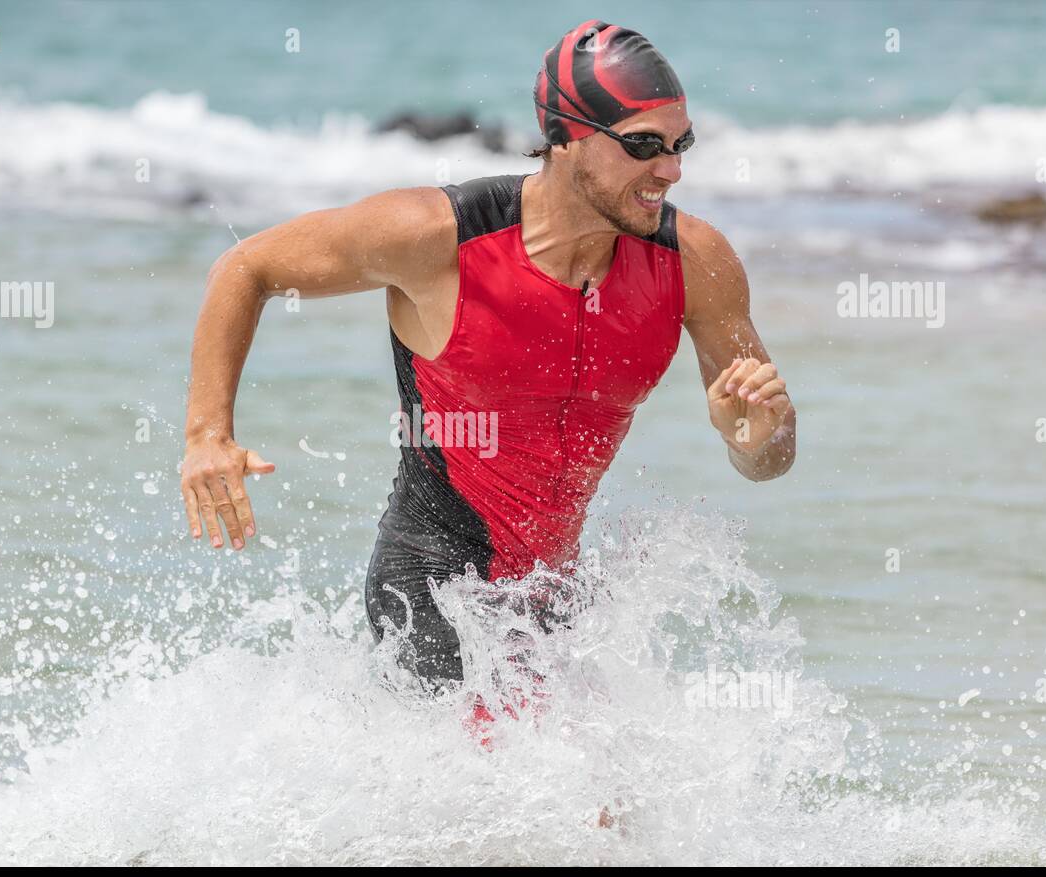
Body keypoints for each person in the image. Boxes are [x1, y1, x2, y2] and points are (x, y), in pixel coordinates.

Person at [181, 19, 796, 696]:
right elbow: (247, 268)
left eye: (681, 144)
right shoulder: (437, 237)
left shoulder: (695, 263)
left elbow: (769, 460)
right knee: (563, 800)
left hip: (555, 602)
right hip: (435, 588)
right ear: (565, 139)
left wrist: (752, 438)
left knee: (605, 799)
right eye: (644, 145)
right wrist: (207, 436)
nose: (671, 170)